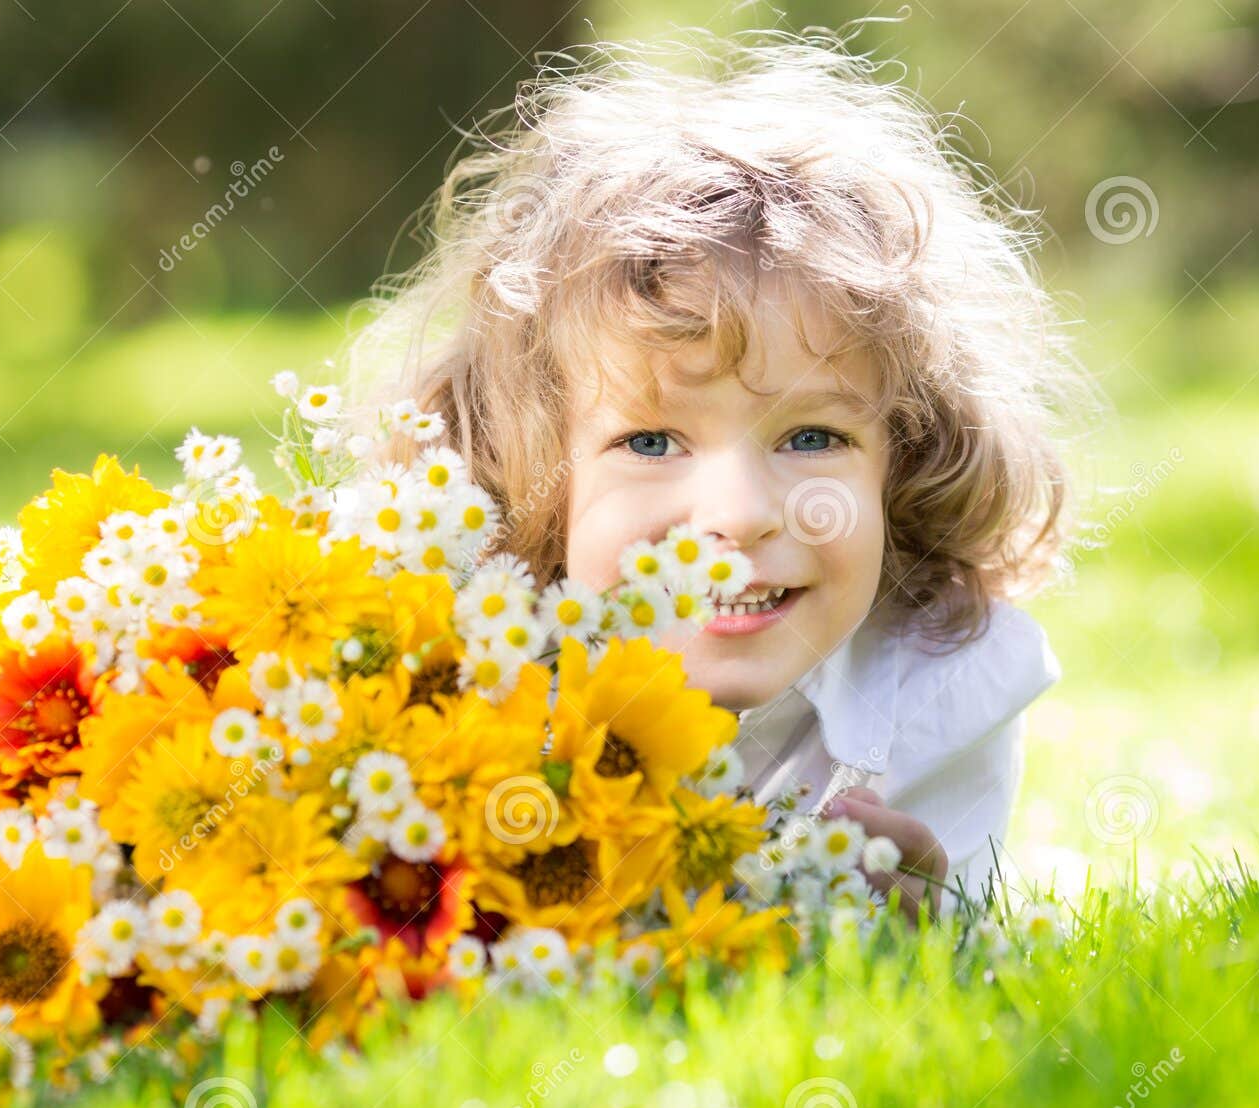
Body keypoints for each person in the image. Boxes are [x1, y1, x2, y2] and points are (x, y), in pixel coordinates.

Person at [343, 32, 1081, 910]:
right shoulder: (456, 672)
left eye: (811, 437)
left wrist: (913, 927)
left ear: (905, 460)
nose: (739, 515)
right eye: (650, 443)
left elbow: (925, 952)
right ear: (533, 471)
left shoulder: (943, 681)